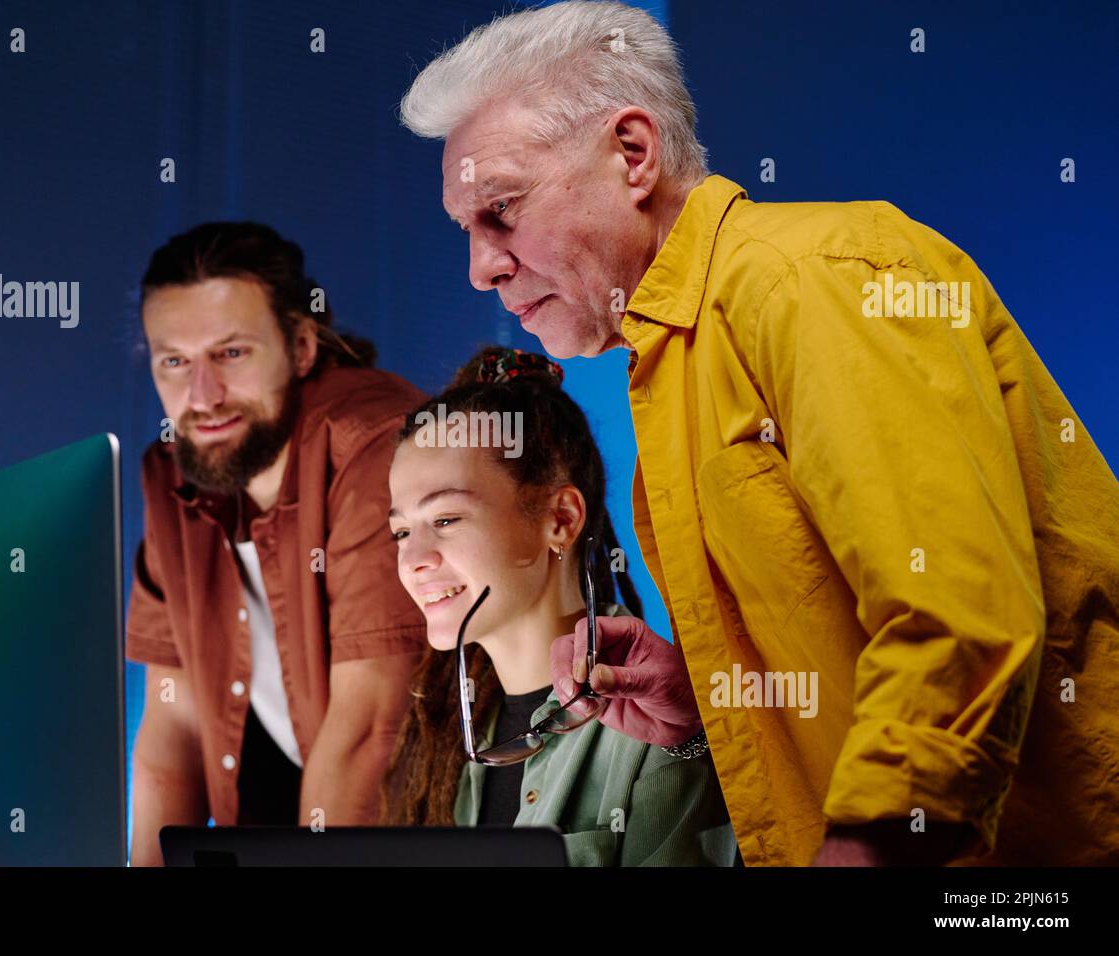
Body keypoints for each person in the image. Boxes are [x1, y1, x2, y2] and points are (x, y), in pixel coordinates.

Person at [398, 1, 1119, 865]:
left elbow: (957, 617)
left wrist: (872, 842)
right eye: (465, 232)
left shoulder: (814, 278)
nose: (482, 267)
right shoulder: (670, 363)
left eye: (502, 211)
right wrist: (700, 715)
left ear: (633, 153)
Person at [125, 222, 427, 865]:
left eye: (231, 354)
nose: (201, 397)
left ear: (299, 346)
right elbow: (170, 732)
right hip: (270, 827)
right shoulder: (174, 471)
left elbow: (372, 730)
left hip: (397, 835)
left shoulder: (375, 443)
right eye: (174, 361)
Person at [383, 346, 738, 866]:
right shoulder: (445, 736)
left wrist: (690, 747)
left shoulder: (663, 729)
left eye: (446, 520)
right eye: (400, 531)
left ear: (561, 519)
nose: (412, 558)